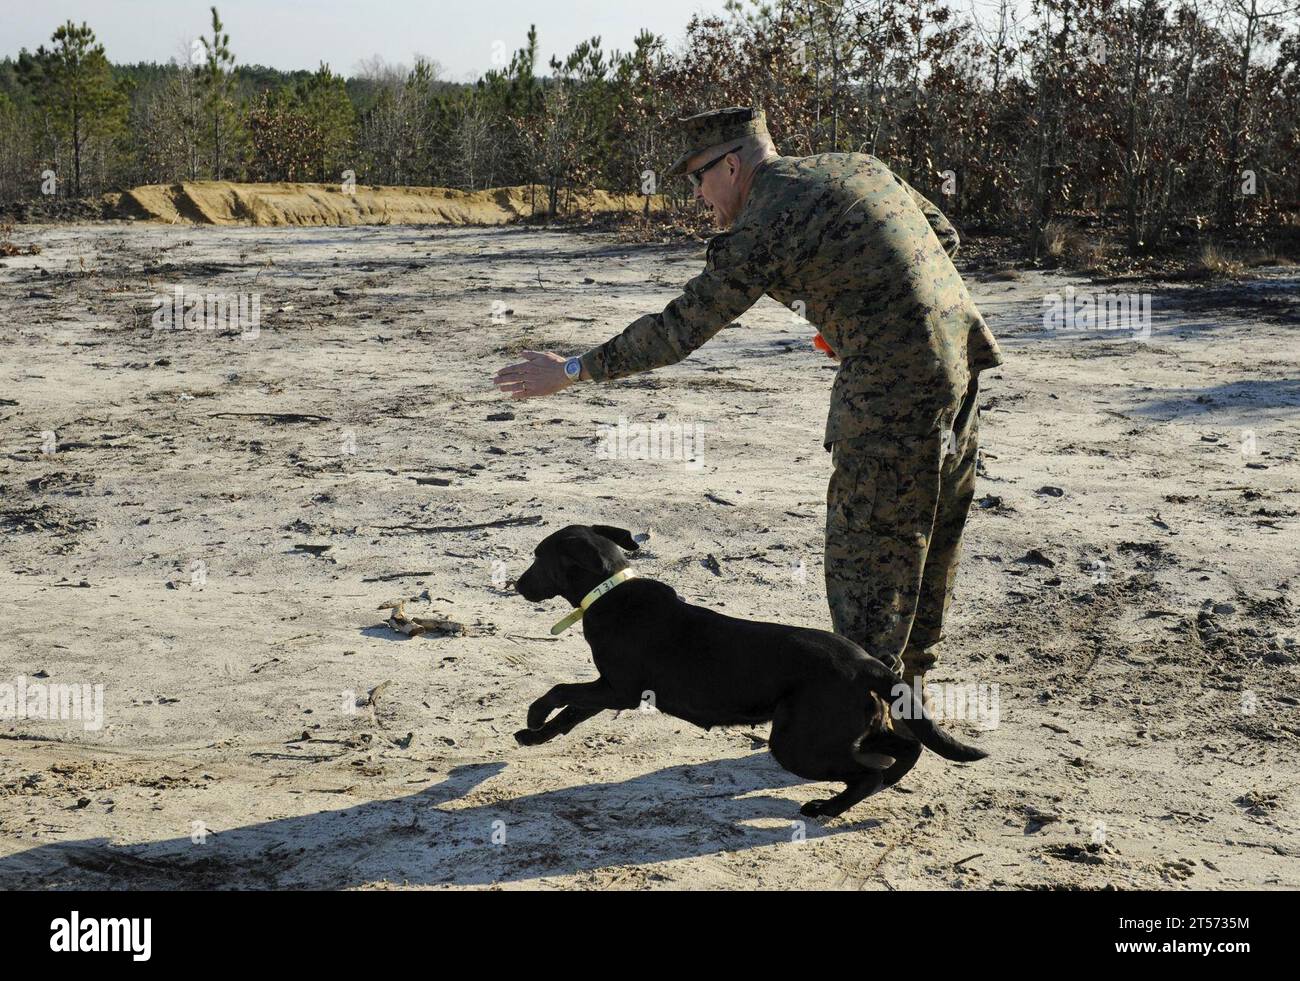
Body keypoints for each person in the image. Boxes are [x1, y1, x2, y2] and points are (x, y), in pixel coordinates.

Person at [493, 106, 1003, 710]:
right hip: (959, 365)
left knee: (872, 558)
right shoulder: (854, 166)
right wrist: (861, 311)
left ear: (731, 164)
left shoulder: (765, 222)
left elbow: (680, 329)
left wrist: (574, 369)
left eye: (697, 178)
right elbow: (941, 234)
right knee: (932, 539)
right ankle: (906, 705)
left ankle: (858, 716)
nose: (698, 195)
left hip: (890, 396)